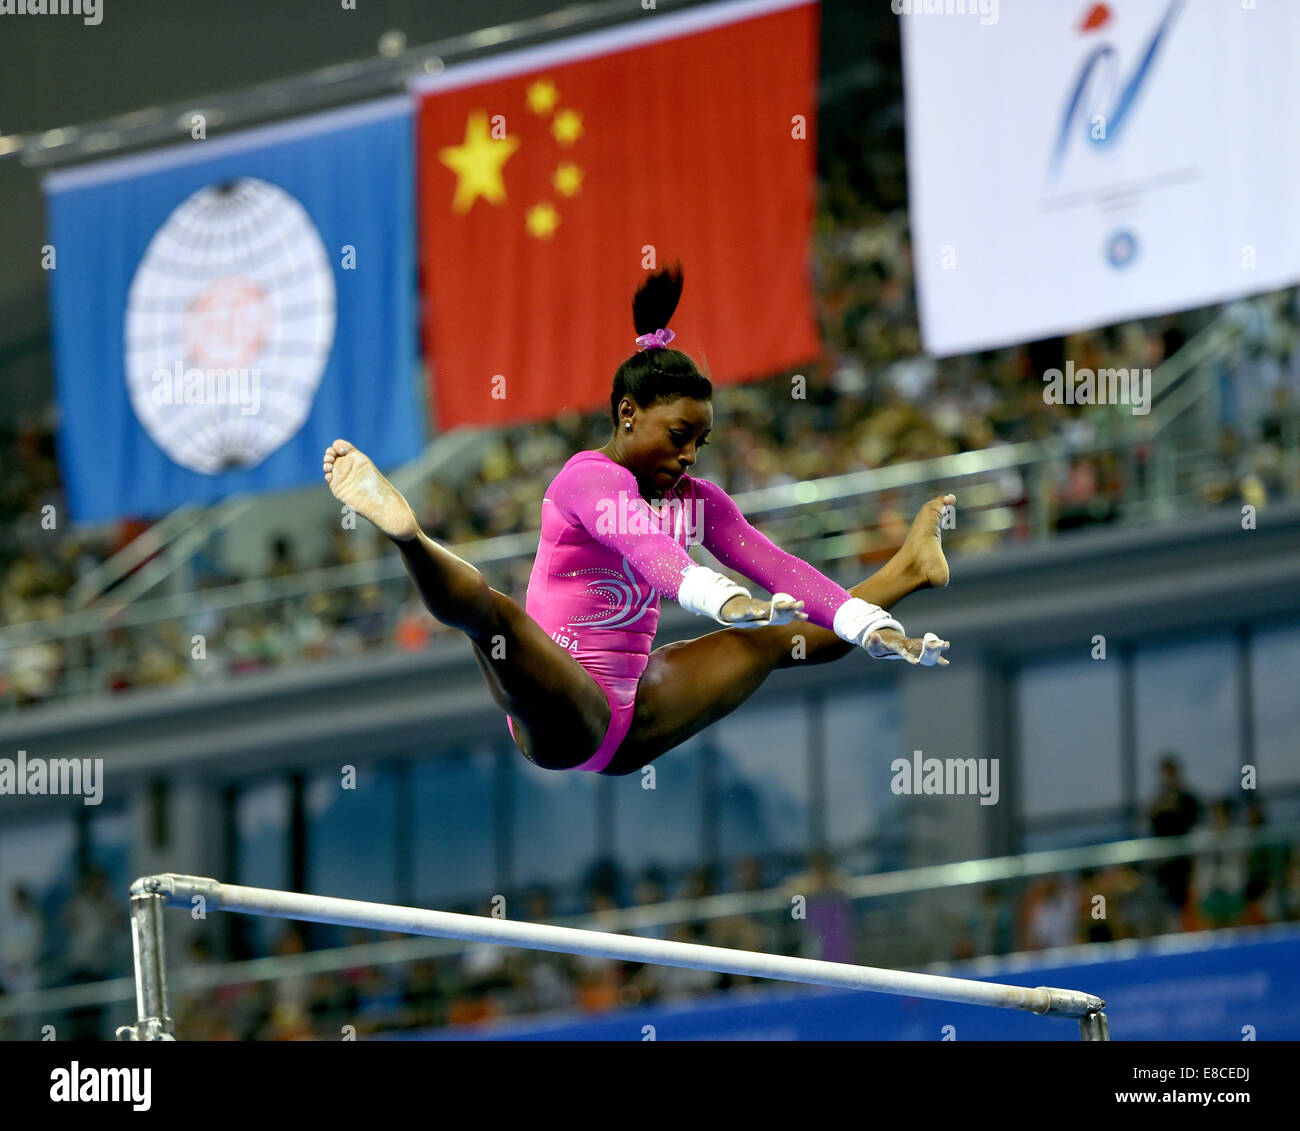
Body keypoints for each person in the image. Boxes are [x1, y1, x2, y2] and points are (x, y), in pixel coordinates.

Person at [323, 262, 951, 777]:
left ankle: (912, 569)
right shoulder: (587, 479)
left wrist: (866, 625)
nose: (688, 456)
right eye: (678, 435)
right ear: (628, 413)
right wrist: (721, 596)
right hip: (563, 713)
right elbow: (646, 546)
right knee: (493, 614)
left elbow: (781, 567)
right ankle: (409, 536)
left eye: (700, 443)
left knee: (774, 643)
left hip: (636, 717)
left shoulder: (698, 500)